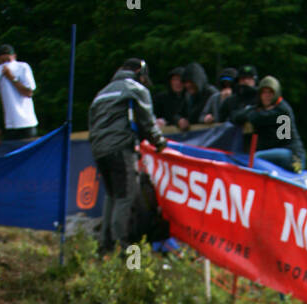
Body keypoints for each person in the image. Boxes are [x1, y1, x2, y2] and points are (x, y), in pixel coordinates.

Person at [88, 57, 167, 257]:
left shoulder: (102, 93)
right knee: (126, 197)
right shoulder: (135, 89)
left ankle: (104, 248)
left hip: (99, 150)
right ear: (140, 74)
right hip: (120, 148)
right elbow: (147, 122)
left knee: (112, 196)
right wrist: (159, 142)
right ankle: (123, 250)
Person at [230, 74, 305, 170]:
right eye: (264, 93)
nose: (267, 96)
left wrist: (254, 113)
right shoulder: (259, 108)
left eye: (270, 93)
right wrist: (254, 112)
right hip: (276, 152)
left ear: (276, 94)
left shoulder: (282, 110)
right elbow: (236, 117)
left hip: (293, 157)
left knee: (256, 158)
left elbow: (256, 118)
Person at [0, 43, 37, 144]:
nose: (5, 64)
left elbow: (28, 93)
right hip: (9, 125)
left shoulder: (23, 67)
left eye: (8, 60)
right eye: (2, 61)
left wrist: (11, 77)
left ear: (14, 56)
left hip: (28, 123)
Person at [178, 62, 216, 128]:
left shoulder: (211, 94)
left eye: (191, 82)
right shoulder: (188, 96)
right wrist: (179, 120)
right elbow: (178, 114)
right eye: (186, 82)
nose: (188, 85)